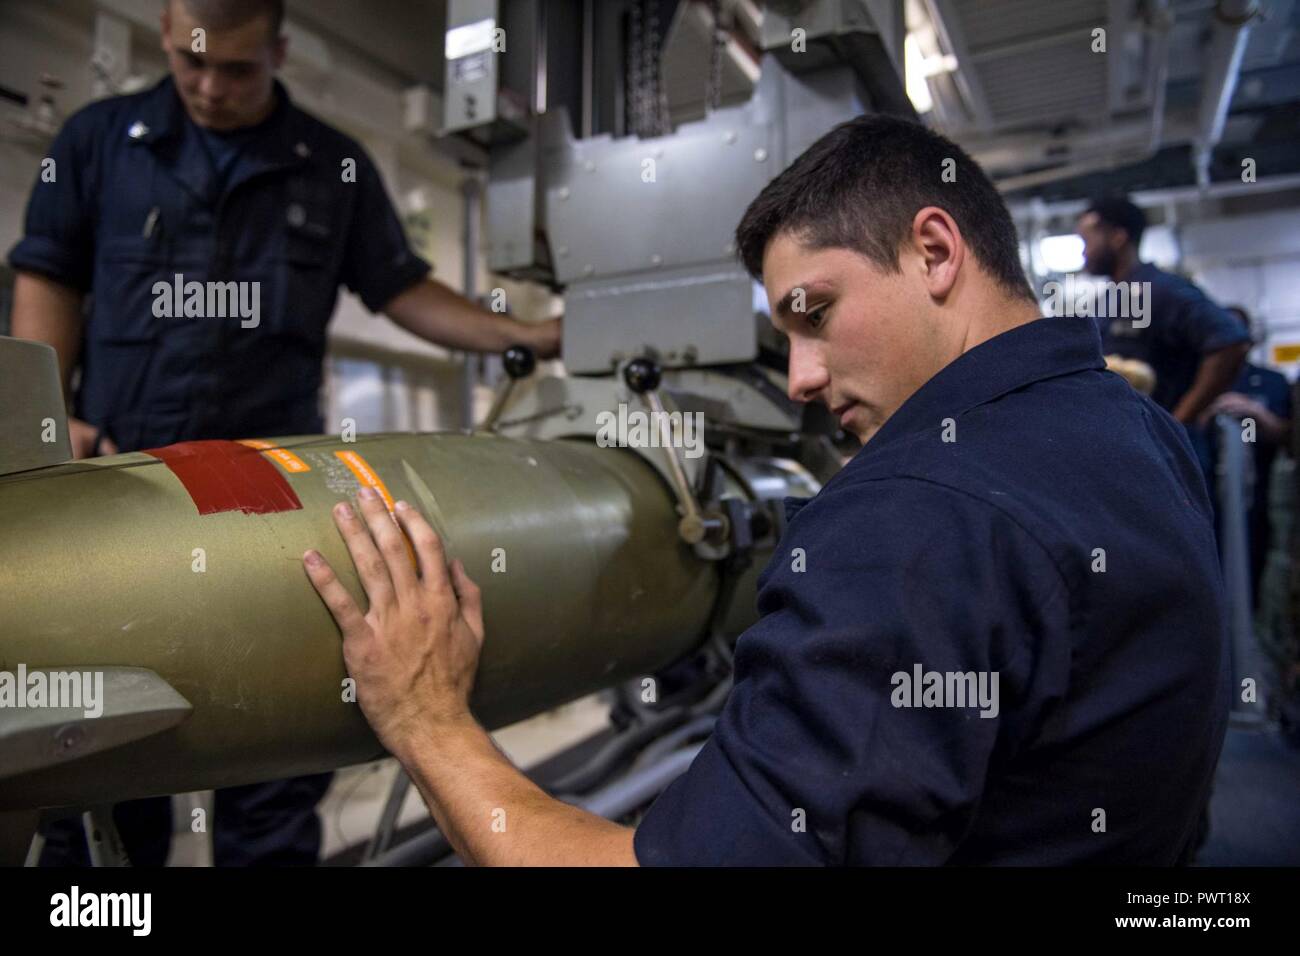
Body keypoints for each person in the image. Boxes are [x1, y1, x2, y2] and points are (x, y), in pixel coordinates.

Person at [301, 115, 1230, 865]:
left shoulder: (917, 517)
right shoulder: (1139, 432)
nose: (800, 379)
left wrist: (427, 723)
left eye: (815, 315)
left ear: (936, 251)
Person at [8, 0, 557, 865]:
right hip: (120, 491)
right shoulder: (98, 140)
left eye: (238, 70)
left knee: (277, 768)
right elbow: (48, 275)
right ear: (165, 33)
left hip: (277, 503)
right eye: (196, 65)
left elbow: (400, 287)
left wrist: (524, 335)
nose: (213, 88)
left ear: (280, 51)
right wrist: (50, 424)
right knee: (104, 774)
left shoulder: (331, 165)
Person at [1077, 197, 1248, 477]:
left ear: (1118, 237)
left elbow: (1231, 343)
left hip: (1169, 457)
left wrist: (1180, 421)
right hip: (1127, 450)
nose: (1084, 253)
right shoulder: (1107, 301)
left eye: (1087, 241)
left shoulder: (1163, 291)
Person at [1200, 306, 1292, 607]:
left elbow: (1287, 435)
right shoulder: (1201, 382)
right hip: (1208, 498)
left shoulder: (1271, 381)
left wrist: (1256, 413)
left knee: (1257, 577)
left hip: (1258, 500)